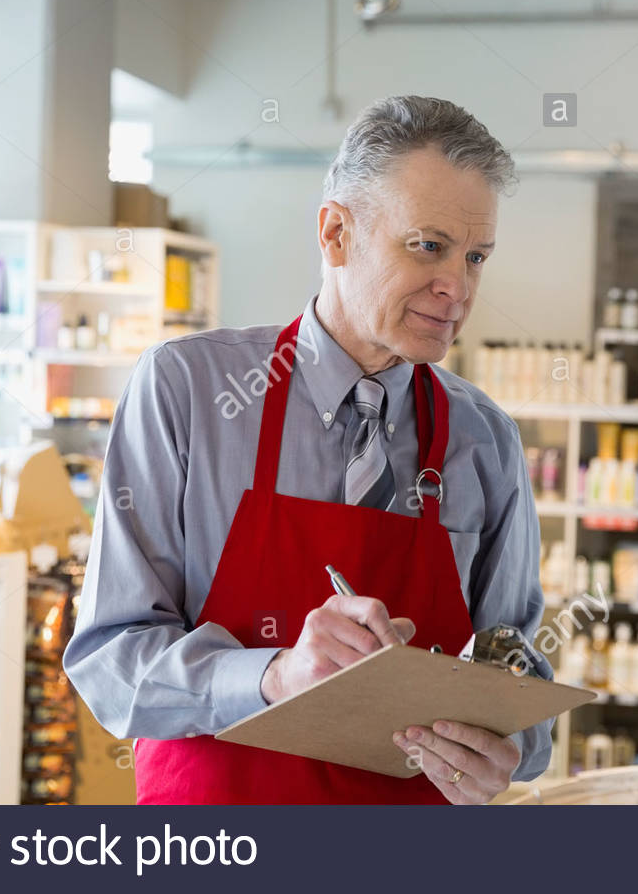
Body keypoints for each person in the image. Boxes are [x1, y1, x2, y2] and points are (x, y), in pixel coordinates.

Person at [64, 95, 552, 804]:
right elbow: (111, 661)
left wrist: (510, 748)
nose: (458, 287)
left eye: (476, 256)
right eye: (429, 246)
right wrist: (273, 677)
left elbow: (515, 673)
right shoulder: (189, 393)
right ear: (335, 234)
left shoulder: (484, 440)